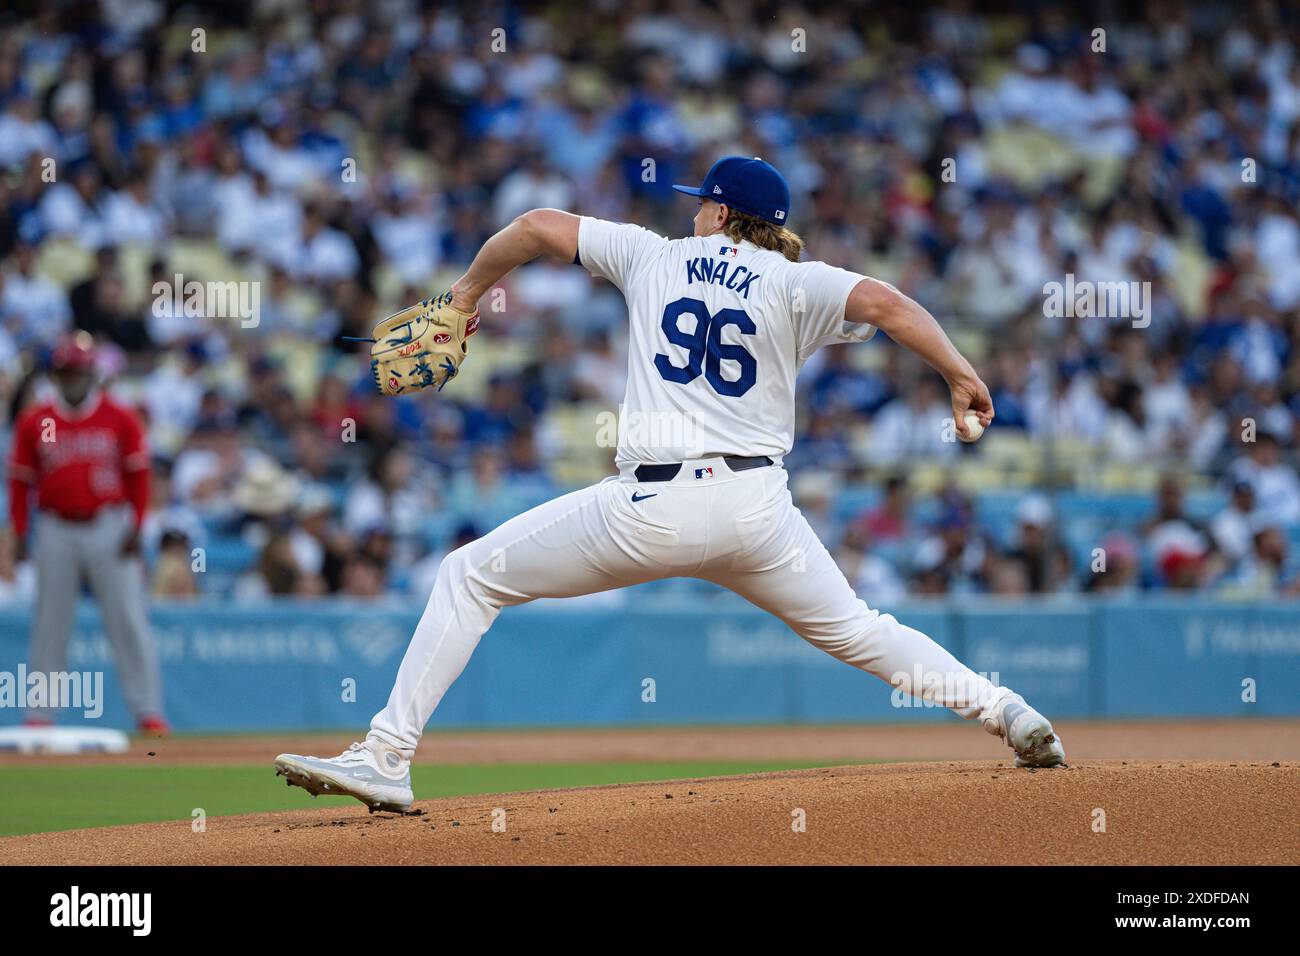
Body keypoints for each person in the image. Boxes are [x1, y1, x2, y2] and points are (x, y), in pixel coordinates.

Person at [275, 156, 1065, 812]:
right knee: (860, 631)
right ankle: (1008, 711)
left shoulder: (652, 255)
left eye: (702, 205)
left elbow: (536, 226)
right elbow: (888, 305)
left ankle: (387, 755)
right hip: (759, 511)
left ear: (721, 214)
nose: (693, 214)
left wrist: (465, 296)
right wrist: (961, 375)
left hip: (651, 507)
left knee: (469, 575)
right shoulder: (799, 282)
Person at [6, 332, 168, 735]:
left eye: (77, 370)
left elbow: (139, 476)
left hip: (108, 524)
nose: (71, 378)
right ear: (55, 375)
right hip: (56, 525)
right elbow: (21, 482)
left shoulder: (119, 416)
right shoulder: (38, 420)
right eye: (64, 371)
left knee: (128, 619)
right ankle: (41, 714)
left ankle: (148, 711)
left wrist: (137, 524)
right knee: (49, 622)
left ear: (91, 372)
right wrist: (22, 532)